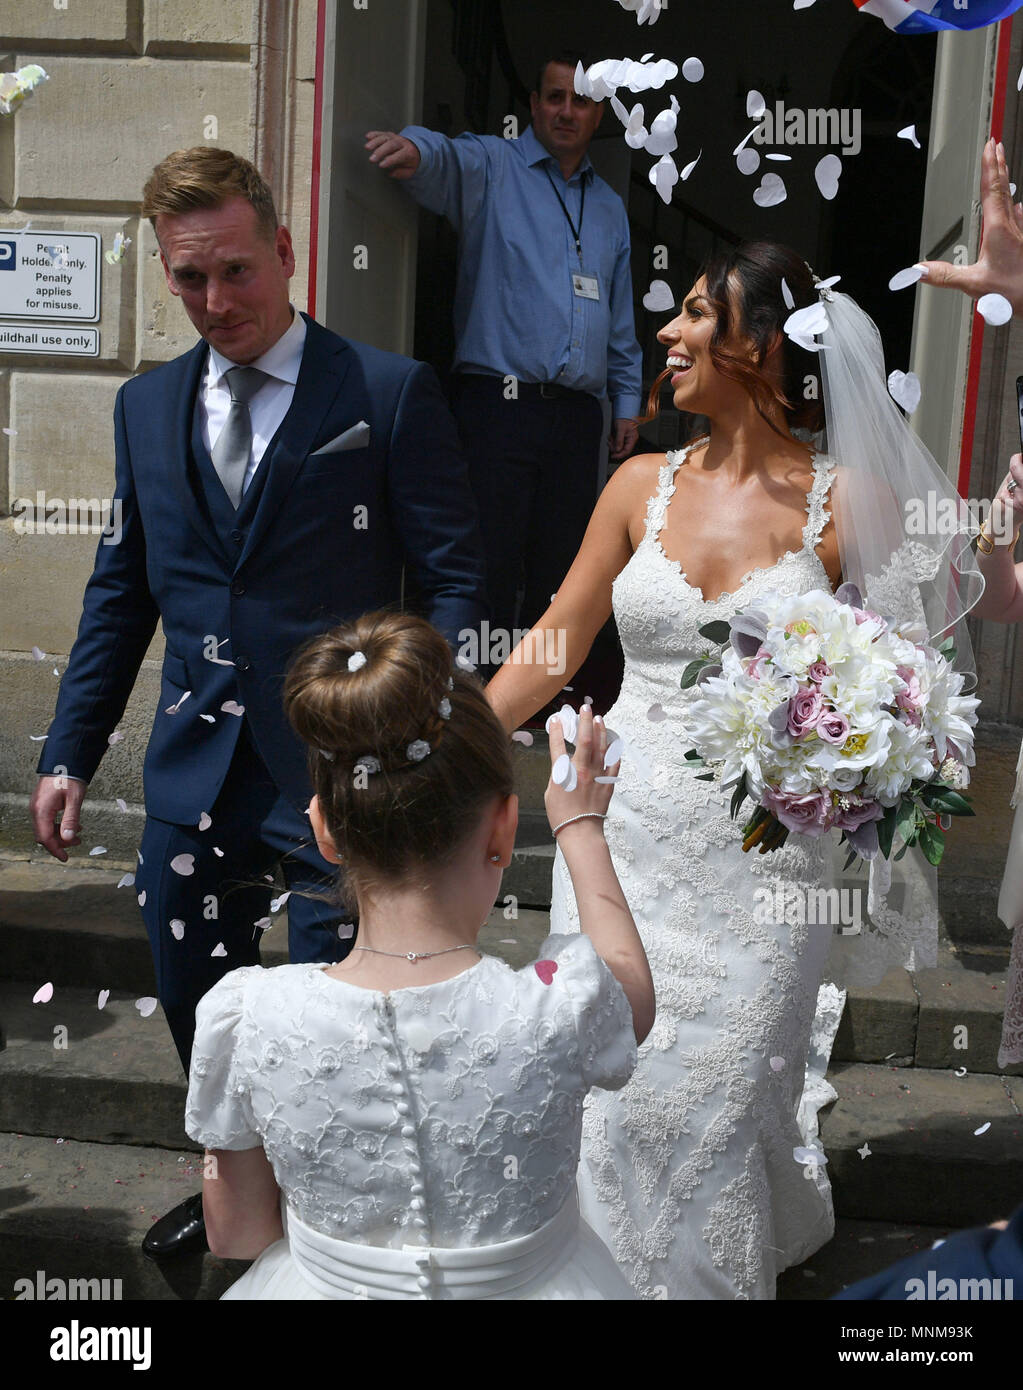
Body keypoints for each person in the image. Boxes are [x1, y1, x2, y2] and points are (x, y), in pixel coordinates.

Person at [485, 240, 983, 1299]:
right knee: (613, 1081)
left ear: (764, 343)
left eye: (699, 314)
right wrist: (444, 739)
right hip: (620, 831)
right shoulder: (636, 487)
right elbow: (556, 642)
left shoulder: (849, 503)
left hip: (770, 858)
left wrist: (867, 759)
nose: (668, 331)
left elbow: (909, 680)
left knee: (716, 1088)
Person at [28, 147, 488, 1261]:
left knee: (350, 1013)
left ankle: (352, 1222)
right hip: (196, 773)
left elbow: (457, 581)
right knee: (205, 1003)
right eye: (189, 280)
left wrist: (430, 729)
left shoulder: (383, 392)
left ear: (285, 251)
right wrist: (69, 749)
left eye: (235, 271)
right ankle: (245, 1197)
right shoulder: (145, 407)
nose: (215, 302)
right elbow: (121, 592)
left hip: (349, 775)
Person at [183, 610, 654, 1300]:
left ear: (324, 832)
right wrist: (580, 825)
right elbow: (629, 978)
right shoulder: (565, 1001)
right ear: (501, 827)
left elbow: (237, 1234)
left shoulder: (246, 1015)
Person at [365, 50, 643, 708]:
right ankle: (468, 701)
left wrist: (627, 401)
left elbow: (619, 315)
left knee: (564, 568)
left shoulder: (608, 207)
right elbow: (444, 157)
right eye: (553, 97)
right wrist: (411, 148)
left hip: (578, 414)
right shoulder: (496, 164)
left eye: (579, 101)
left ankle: (540, 701)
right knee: (485, 558)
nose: (565, 111)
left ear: (599, 112)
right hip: (497, 404)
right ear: (534, 104)